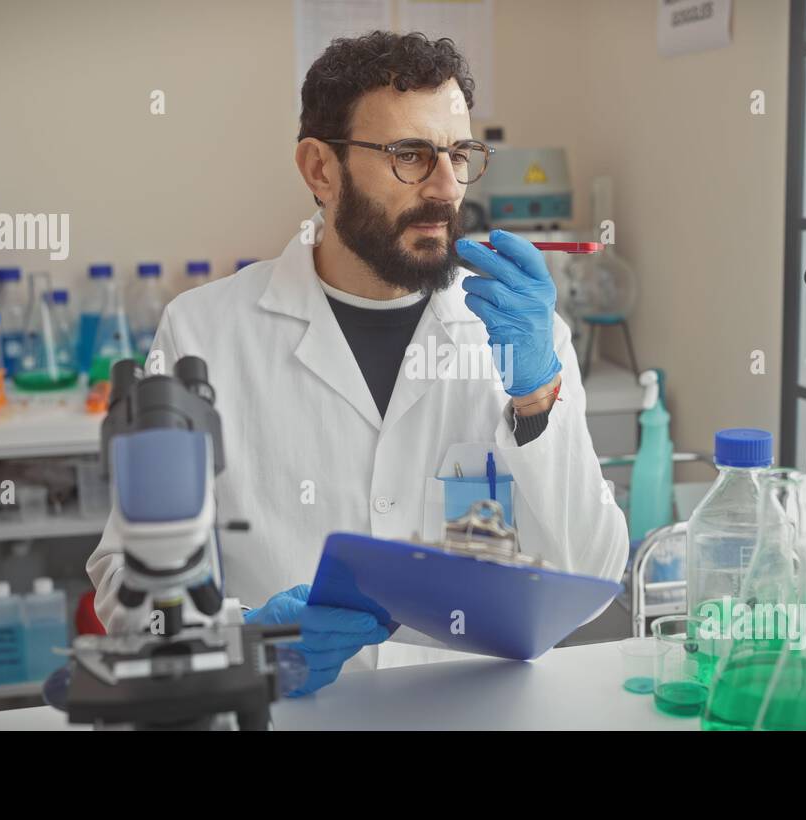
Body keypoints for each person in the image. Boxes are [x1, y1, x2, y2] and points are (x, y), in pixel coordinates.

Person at [87, 30, 627, 695]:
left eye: (460, 155)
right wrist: (245, 640)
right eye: (410, 155)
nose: (446, 188)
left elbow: (594, 580)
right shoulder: (203, 332)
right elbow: (130, 585)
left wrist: (539, 398)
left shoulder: (523, 334)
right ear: (320, 169)